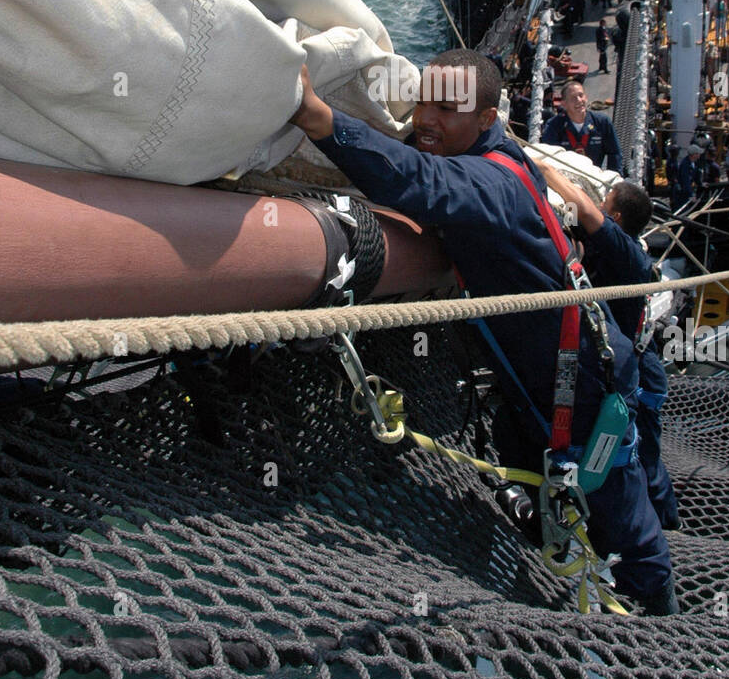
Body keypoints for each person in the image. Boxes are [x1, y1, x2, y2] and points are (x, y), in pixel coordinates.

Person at [289, 51, 676, 614]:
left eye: (448, 108)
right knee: (555, 469)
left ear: (487, 116)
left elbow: (426, 183)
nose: (426, 119)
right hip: (551, 375)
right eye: (423, 101)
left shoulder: (495, 182)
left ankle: (664, 628)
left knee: (624, 514)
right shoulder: (498, 156)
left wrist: (320, 119)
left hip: (582, 386)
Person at [536, 170, 680, 532]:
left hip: (639, 373)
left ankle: (656, 525)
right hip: (638, 363)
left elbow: (583, 207)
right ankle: (659, 519)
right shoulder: (621, 249)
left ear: (615, 219)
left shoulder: (623, 249)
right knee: (640, 452)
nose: (600, 205)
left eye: (606, 203)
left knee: (636, 453)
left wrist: (545, 170)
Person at [541, 77, 624, 173]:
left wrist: (613, 180)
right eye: (573, 98)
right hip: (565, 177)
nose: (579, 100)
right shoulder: (554, 125)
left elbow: (615, 153)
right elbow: (548, 157)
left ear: (586, 97)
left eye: (581, 95)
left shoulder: (602, 122)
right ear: (564, 104)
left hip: (595, 177)